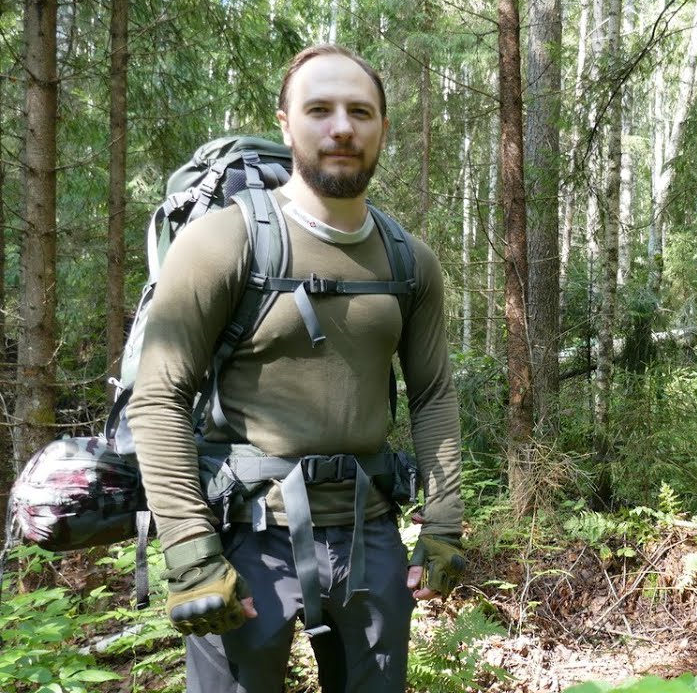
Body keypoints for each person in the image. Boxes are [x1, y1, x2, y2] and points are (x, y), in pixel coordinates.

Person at [129, 44, 465, 692]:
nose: (342, 126)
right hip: (246, 536)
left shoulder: (409, 261)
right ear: (286, 123)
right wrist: (191, 553)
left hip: (370, 532)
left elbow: (433, 396)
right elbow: (159, 395)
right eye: (320, 109)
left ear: (382, 128)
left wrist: (444, 524)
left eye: (360, 111)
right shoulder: (223, 242)